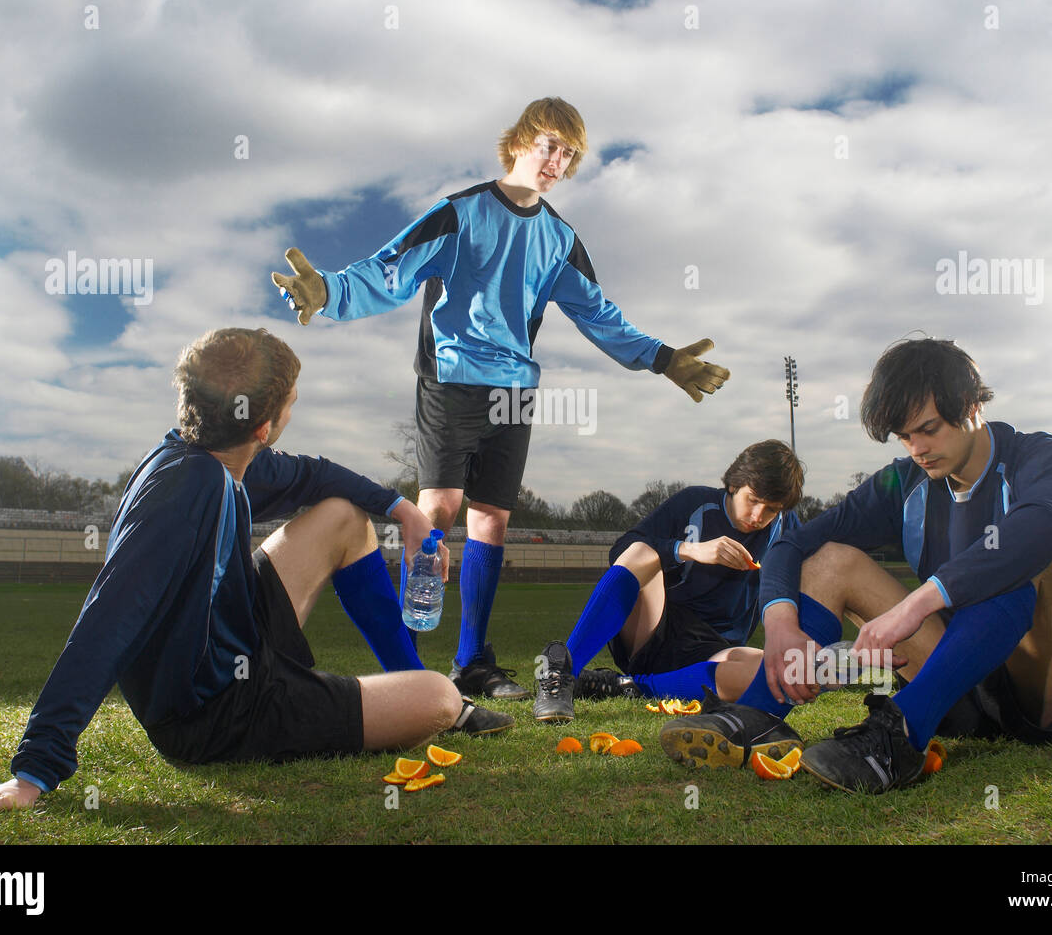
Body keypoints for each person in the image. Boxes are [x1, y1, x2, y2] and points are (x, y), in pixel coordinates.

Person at [0, 328, 511, 819]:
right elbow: (108, 620)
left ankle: (400, 679)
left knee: (343, 516)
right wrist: (34, 769)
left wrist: (403, 510)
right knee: (436, 696)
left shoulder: (210, 453)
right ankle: (410, 696)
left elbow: (314, 475)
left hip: (238, 634)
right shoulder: (184, 489)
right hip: (216, 712)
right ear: (263, 426)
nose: (292, 414)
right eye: (291, 403)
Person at [273, 96, 730, 701]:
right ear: (518, 142)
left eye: (569, 153)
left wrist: (663, 358)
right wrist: (329, 291)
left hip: (514, 389)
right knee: (437, 510)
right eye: (549, 145)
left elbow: (598, 313)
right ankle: (408, 663)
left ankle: (472, 663)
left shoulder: (560, 238)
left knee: (491, 519)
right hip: (452, 377)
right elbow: (390, 271)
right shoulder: (459, 213)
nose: (557, 161)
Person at [660, 337, 1052, 791]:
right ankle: (759, 717)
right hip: (971, 688)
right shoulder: (904, 482)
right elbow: (791, 544)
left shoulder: (1045, 456)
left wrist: (916, 605)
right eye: (904, 436)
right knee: (830, 559)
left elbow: (1051, 520)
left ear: (972, 404)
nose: (917, 448)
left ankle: (899, 735)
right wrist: (781, 624)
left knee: (1025, 548)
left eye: (928, 429)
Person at [533, 440, 803, 755]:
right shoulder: (694, 502)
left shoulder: (786, 529)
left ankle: (626, 687)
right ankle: (563, 672)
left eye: (771, 509)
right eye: (752, 500)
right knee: (641, 551)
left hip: (715, 650)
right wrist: (690, 550)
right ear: (733, 484)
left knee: (778, 670)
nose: (758, 515)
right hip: (656, 630)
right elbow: (621, 550)